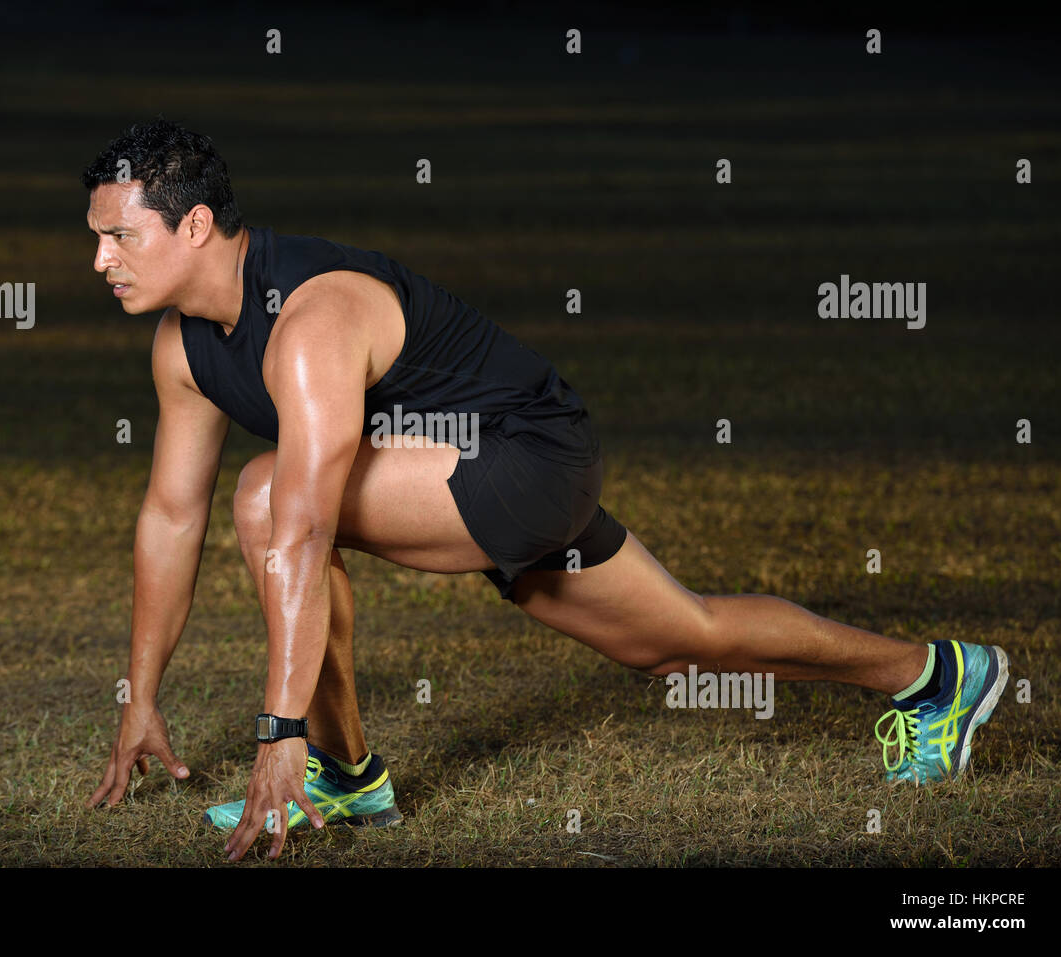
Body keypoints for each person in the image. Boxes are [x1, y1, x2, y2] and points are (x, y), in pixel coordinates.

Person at [81, 119, 1009, 862]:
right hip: (459, 474)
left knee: (264, 496)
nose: (101, 260)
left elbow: (306, 520)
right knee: (681, 643)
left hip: (526, 458)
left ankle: (339, 770)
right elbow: (168, 516)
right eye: (96, 238)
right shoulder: (184, 349)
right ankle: (934, 676)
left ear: (194, 225)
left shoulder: (313, 315)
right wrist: (140, 694)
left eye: (120, 235)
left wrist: (278, 729)